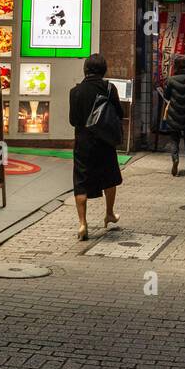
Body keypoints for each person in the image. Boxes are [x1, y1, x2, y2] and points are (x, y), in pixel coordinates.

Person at [69, 54, 123, 240]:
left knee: (81, 182)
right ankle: (109, 213)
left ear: (85, 69)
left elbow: (73, 120)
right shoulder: (109, 88)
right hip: (105, 141)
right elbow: (119, 112)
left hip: (83, 142)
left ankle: (82, 223)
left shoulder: (75, 91)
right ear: (104, 69)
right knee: (109, 177)